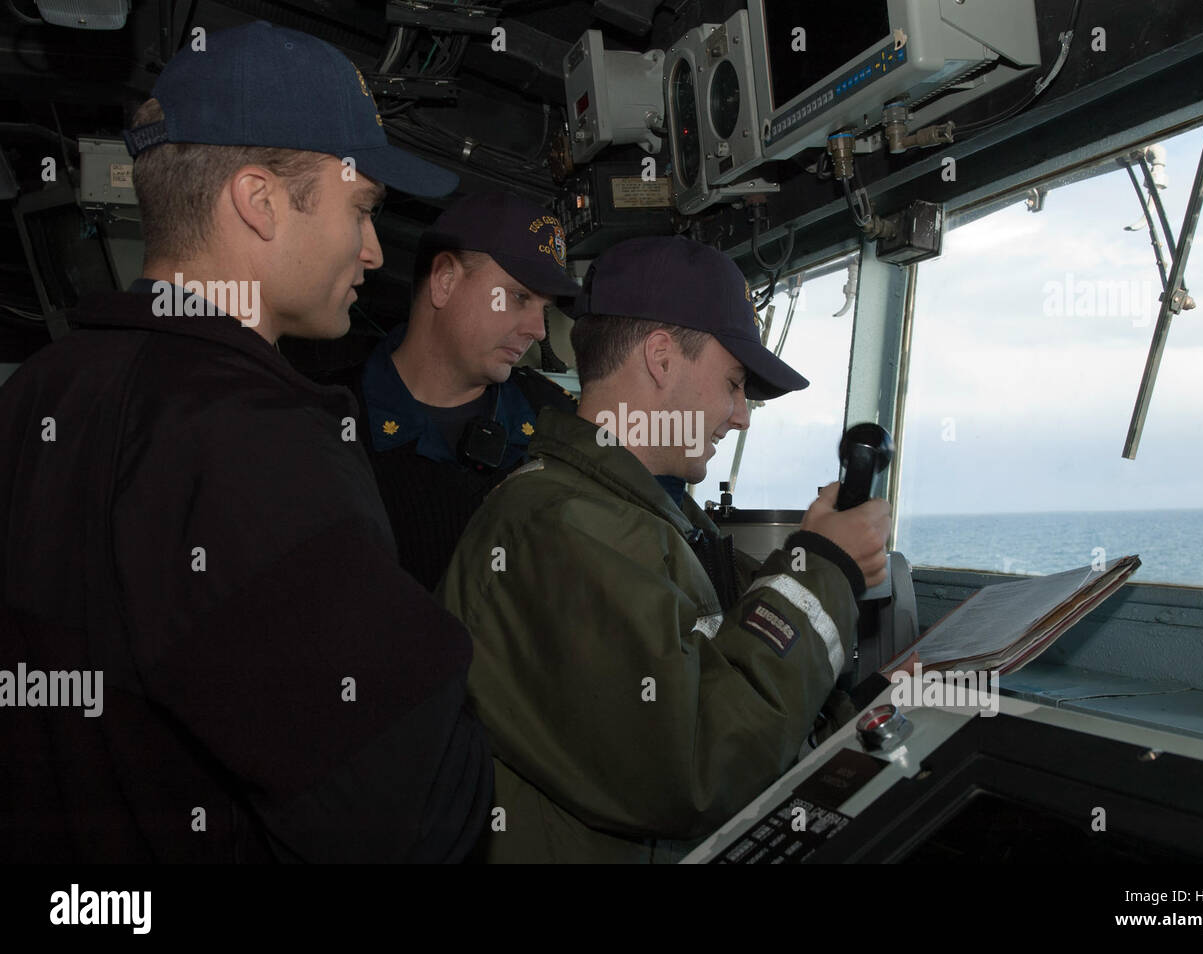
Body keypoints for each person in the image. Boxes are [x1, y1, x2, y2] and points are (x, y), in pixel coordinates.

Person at [0, 21, 491, 862]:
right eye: (362, 209)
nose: (375, 251)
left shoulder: (35, 394)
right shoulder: (258, 440)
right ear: (259, 202)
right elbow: (415, 814)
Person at [437, 235, 893, 863]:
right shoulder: (551, 529)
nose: (742, 416)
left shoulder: (660, 516)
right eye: (734, 384)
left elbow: (736, 673)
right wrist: (825, 567)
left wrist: (873, 707)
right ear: (660, 358)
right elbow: (696, 766)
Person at [351, 192, 581, 592]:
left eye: (543, 309)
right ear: (445, 281)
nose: (539, 330)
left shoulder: (558, 425)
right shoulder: (331, 423)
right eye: (519, 296)